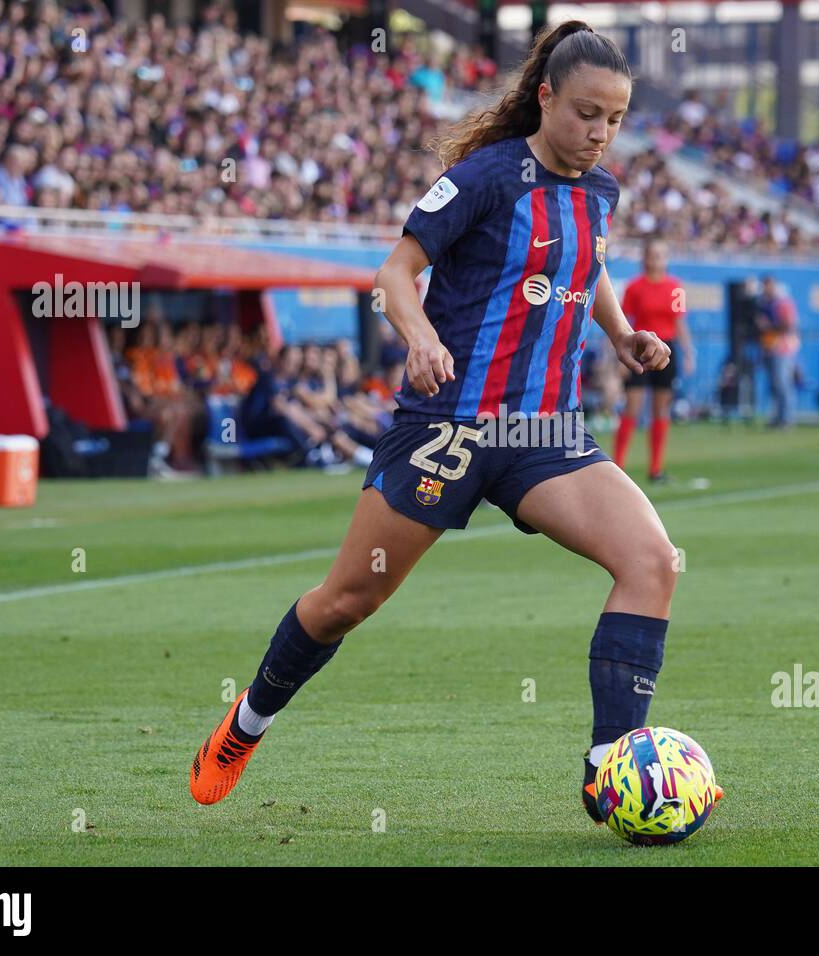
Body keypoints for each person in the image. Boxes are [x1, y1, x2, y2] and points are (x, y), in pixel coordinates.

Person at [187, 21, 723, 823]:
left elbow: (590, 263)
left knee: (652, 561)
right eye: (585, 114)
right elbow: (396, 271)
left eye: (613, 119)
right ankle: (246, 724)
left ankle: (609, 764)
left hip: (546, 436)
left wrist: (619, 332)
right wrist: (422, 336)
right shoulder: (485, 178)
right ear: (545, 98)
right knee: (346, 601)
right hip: (451, 428)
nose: (599, 134)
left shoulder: (599, 192)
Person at [613, 238, 693, 482]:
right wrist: (617, 358)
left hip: (667, 349)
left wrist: (689, 353)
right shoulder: (633, 287)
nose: (655, 260)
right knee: (633, 407)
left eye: (660, 255)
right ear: (644, 258)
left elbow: (679, 322)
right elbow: (621, 321)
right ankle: (616, 468)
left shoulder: (676, 287)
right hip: (640, 347)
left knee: (661, 409)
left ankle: (655, 469)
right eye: (651, 254)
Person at [756, 275, 799, 429]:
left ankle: (787, 419)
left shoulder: (782, 302)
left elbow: (788, 325)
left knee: (783, 384)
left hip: (783, 348)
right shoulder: (763, 303)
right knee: (774, 385)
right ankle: (777, 417)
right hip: (769, 347)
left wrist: (768, 326)